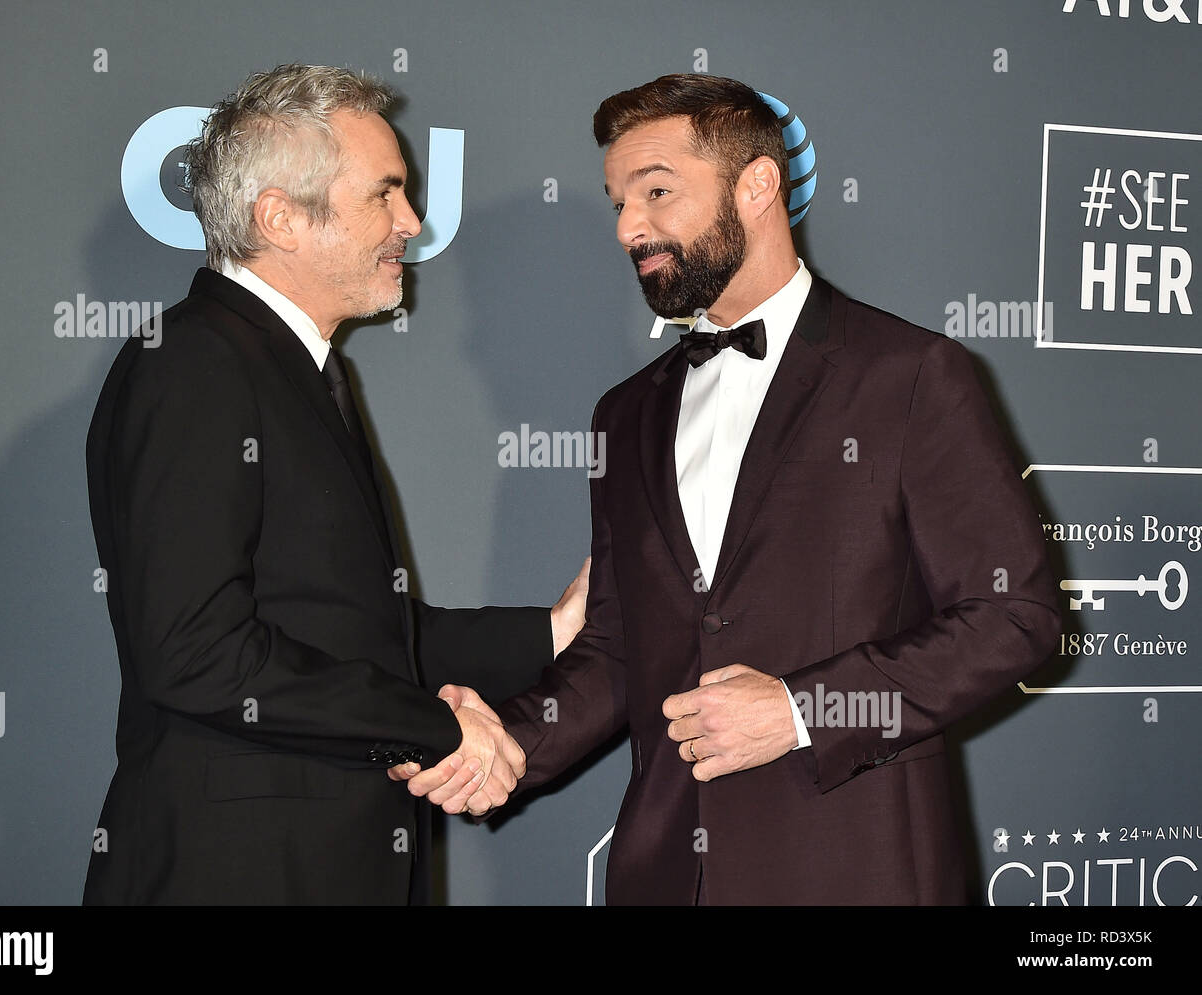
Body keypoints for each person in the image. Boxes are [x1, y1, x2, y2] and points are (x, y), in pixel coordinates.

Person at [396, 73, 1061, 904]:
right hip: (669, 872)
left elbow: (1015, 617)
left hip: (859, 867)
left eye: (658, 192)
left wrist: (800, 709)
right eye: (617, 204)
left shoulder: (910, 376)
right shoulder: (625, 414)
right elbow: (621, 649)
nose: (630, 227)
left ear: (757, 187)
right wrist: (513, 746)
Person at [83, 63, 587, 905]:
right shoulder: (197, 366)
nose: (413, 223)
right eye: (384, 195)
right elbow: (197, 651)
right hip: (237, 878)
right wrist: (438, 729)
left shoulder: (295, 371)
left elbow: (346, 633)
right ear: (279, 217)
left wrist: (552, 630)